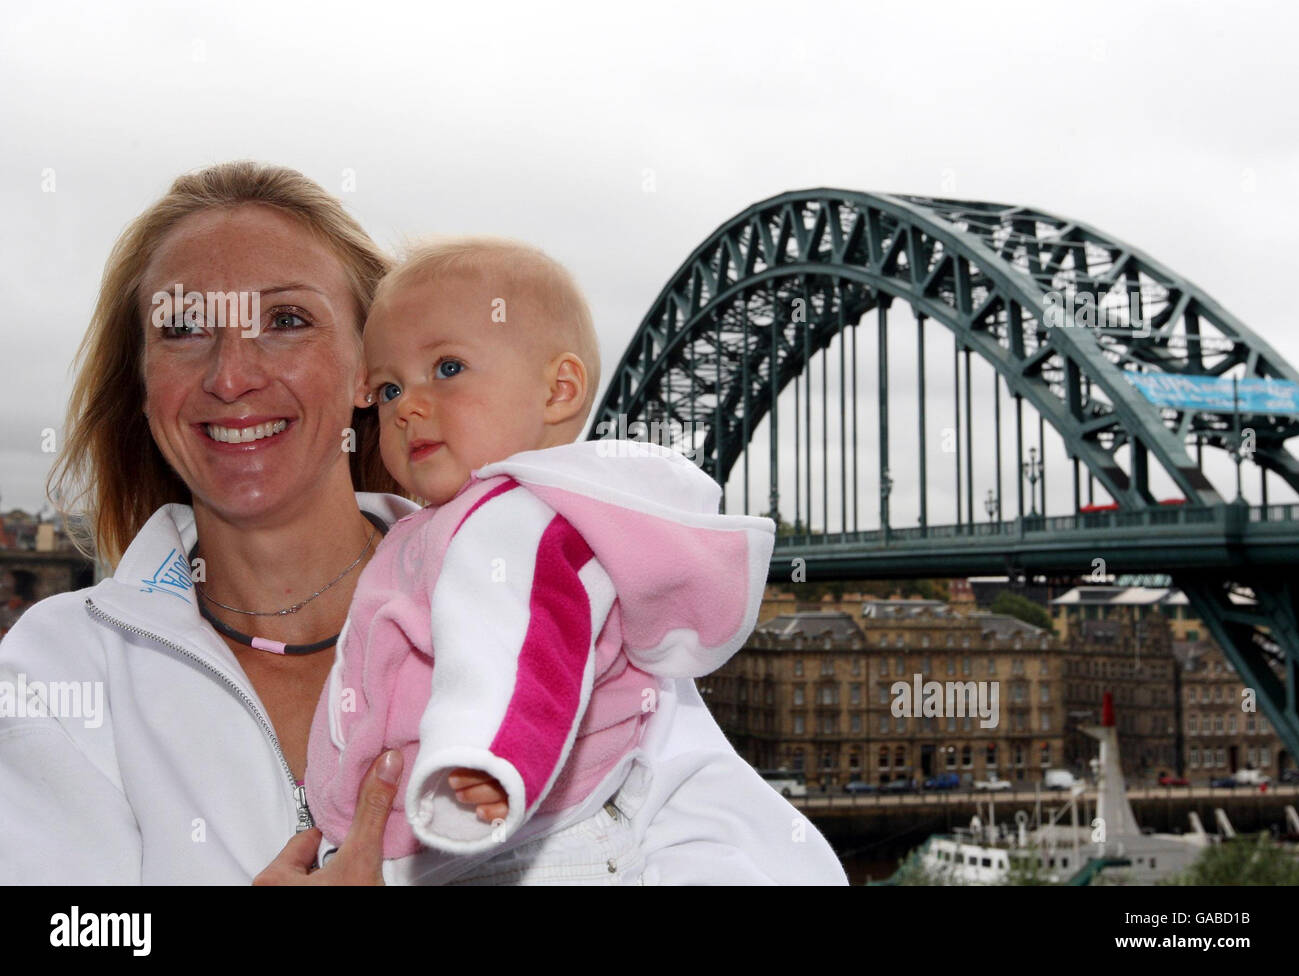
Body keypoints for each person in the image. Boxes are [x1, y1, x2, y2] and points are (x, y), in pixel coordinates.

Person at [0, 160, 847, 885]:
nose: (232, 374)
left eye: (287, 321)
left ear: (368, 373)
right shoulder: (59, 664)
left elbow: (752, 853)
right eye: (184, 329)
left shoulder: (549, 591)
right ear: (143, 382)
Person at [304, 238, 777, 882]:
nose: (407, 406)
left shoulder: (512, 518)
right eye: (387, 388)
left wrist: (489, 757)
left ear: (559, 390)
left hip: (526, 841)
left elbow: (518, 648)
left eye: (447, 368)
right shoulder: (453, 524)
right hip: (487, 832)